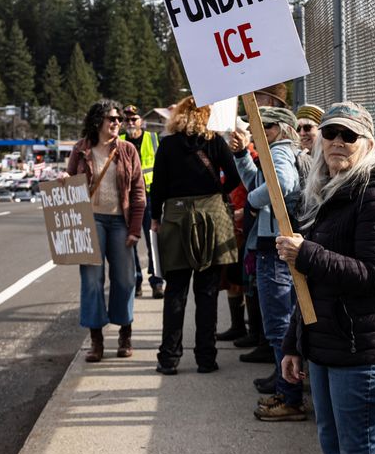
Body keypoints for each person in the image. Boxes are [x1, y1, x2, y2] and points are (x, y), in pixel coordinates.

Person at [278, 101, 375, 454]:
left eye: (348, 135)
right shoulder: (328, 193)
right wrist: (293, 344)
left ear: (367, 143)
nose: (337, 141)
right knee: (333, 450)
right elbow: (311, 284)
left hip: (359, 346)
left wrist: (306, 253)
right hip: (324, 344)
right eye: (330, 133)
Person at [149, 96, 242, 374]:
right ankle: (206, 358)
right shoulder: (215, 142)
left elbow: (158, 186)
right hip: (212, 216)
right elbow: (234, 177)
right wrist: (216, 192)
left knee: (176, 291)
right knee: (207, 291)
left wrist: (155, 217)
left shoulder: (167, 145)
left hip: (176, 218)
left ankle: (169, 358)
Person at [231, 105, 306, 419]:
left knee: (278, 325)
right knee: (279, 323)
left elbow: (283, 184)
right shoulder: (274, 151)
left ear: (282, 129)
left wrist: (251, 201)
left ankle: (289, 398)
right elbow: (256, 182)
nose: (259, 132)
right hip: (271, 243)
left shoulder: (279, 151)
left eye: (267, 126)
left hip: (274, 247)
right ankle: (286, 390)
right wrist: (241, 155)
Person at [66, 99, 145, 362]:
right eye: (112, 119)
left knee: (125, 279)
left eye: (119, 119)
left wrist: (135, 228)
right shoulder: (81, 149)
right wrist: (65, 180)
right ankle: (96, 340)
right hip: (91, 221)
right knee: (92, 281)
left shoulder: (127, 150)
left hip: (120, 222)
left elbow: (138, 191)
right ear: (98, 120)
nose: (117, 123)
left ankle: (125, 333)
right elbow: (69, 183)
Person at [122, 104, 164, 298]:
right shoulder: (119, 141)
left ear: (142, 121)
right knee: (129, 242)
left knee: (153, 241)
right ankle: (136, 281)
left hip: (149, 196)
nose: (130, 122)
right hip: (127, 198)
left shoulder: (153, 139)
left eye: (134, 119)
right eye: (127, 119)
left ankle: (157, 282)